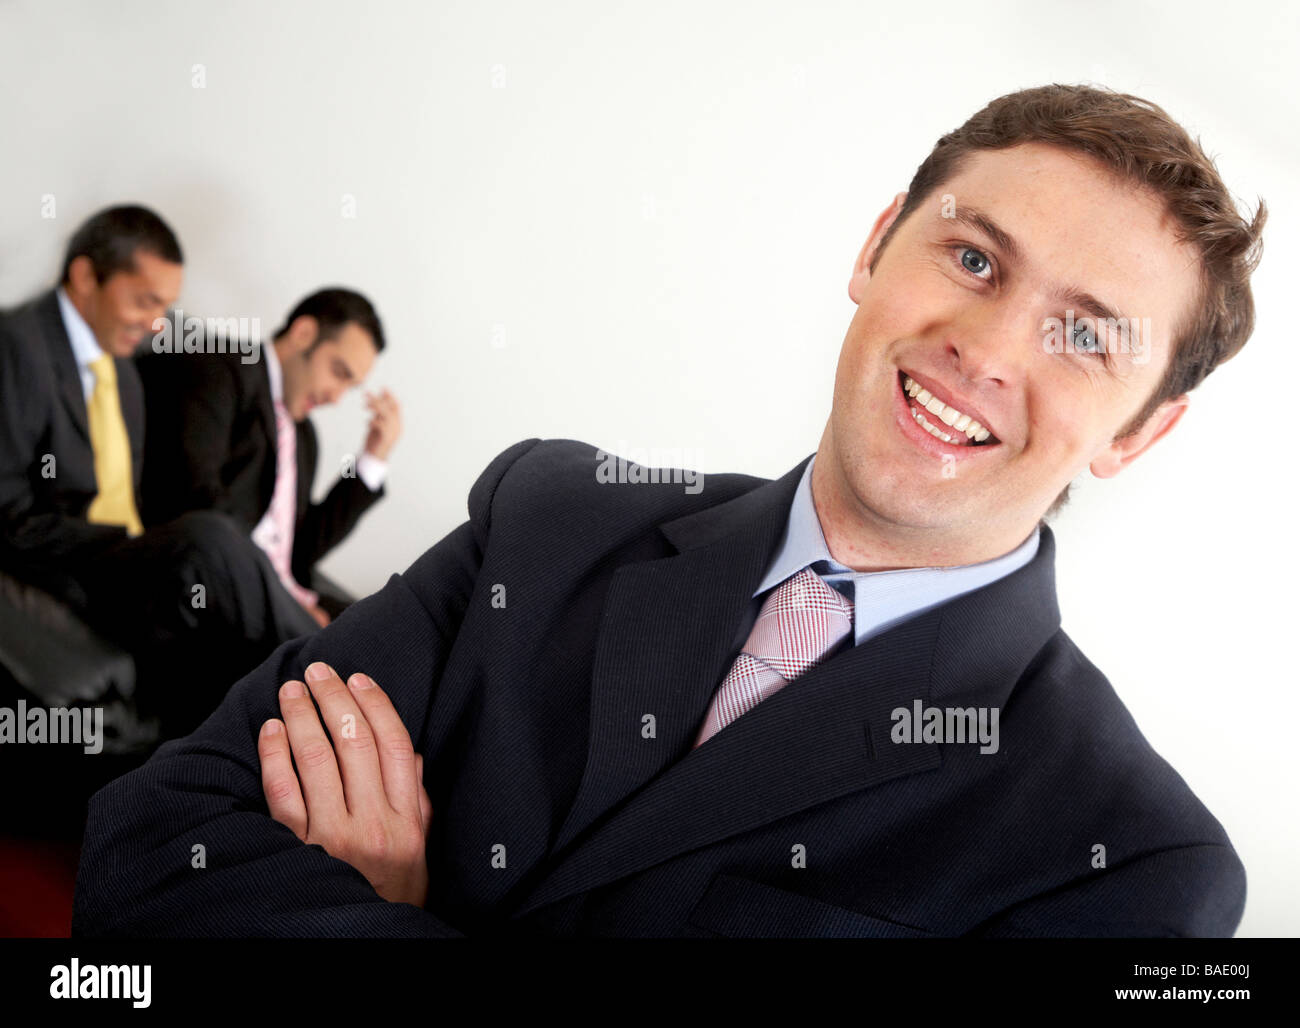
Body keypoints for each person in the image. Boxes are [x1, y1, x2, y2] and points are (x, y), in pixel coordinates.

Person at [73, 84, 1265, 937]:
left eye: (1084, 335)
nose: (986, 347)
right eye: (972, 259)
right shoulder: (546, 513)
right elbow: (149, 845)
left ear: (1138, 432)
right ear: (875, 247)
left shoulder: (1129, 863)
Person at [0, 206, 320, 734]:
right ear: (85, 276)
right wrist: (122, 543)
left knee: (230, 627)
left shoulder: (123, 372)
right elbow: (9, 516)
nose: (156, 324)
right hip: (73, 567)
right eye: (145, 301)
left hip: (131, 568)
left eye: (165, 307)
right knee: (208, 538)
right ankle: (343, 670)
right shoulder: (20, 348)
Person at [136, 288, 400, 625]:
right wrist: (281, 602)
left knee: (387, 633)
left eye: (351, 387)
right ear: (304, 334)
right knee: (324, 653)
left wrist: (372, 459)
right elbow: (196, 501)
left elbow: (299, 552)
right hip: (222, 587)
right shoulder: (219, 370)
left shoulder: (304, 437)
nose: (336, 398)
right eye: (338, 372)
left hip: (281, 597)